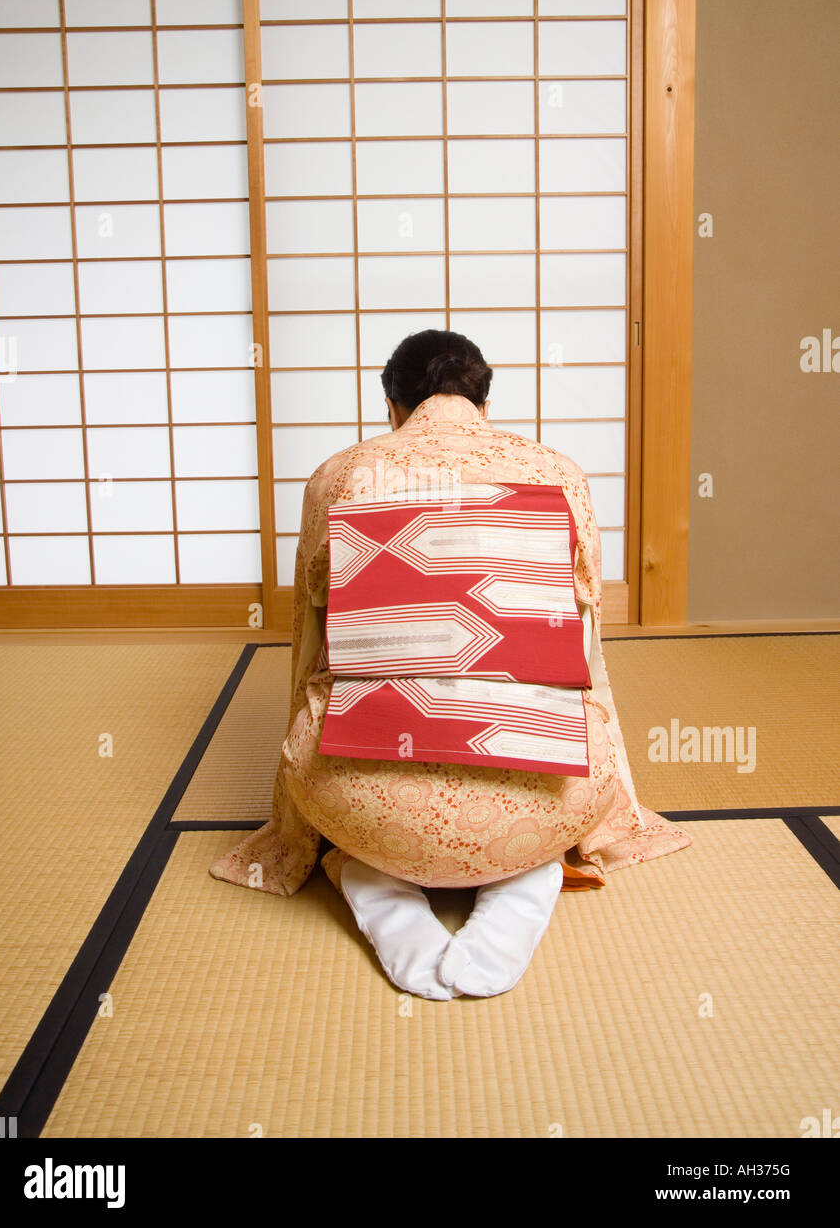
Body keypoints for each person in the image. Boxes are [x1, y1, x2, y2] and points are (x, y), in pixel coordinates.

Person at [210, 329, 692, 999]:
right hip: (540, 800)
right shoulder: (558, 472)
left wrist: (294, 835)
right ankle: (527, 878)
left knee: (336, 775)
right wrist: (609, 815)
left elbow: (309, 648)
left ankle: (376, 885)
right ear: (484, 404)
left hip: (364, 807)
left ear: (391, 405)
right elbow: (586, 647)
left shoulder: (341, 474)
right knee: (562, 754)